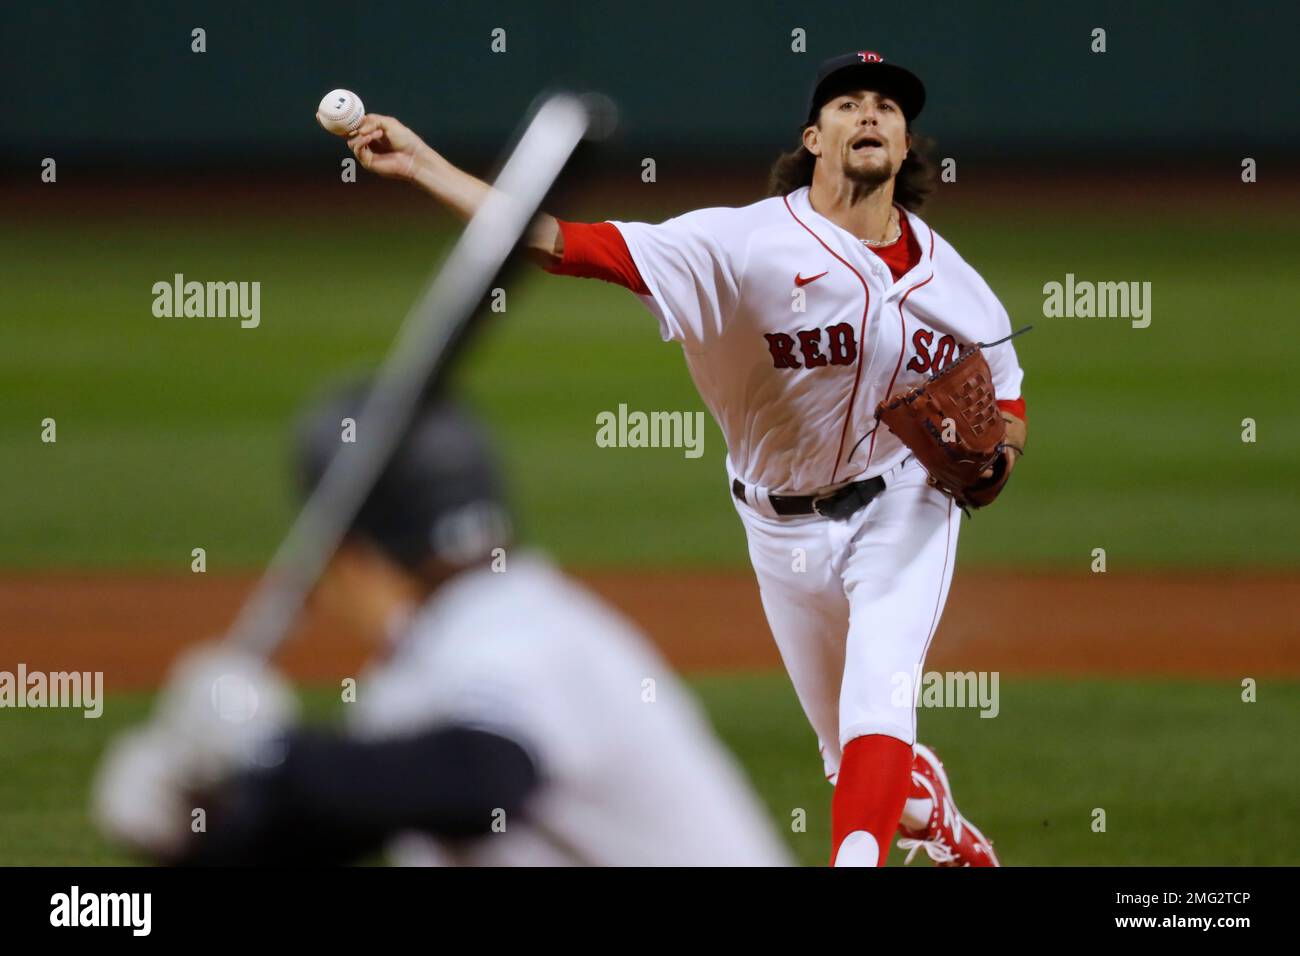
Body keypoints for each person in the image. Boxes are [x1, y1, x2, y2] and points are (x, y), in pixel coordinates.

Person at [340, 49, 1027, 867]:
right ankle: (932, 814)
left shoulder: (959, 285)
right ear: (814, 138)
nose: (870, 113)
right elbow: (564, 244)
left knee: (880, 696)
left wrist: (995, 460)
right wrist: (425, 165)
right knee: (848, 758)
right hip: (777, 523)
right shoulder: (736, 245)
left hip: (902, 503)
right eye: (848, 104)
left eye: (887, 105)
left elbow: (1008, 408)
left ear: (908, 144)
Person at [93, 383, 792, 866]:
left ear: (346, 554)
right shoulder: (431, 668)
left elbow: (484, 776)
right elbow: (318, 830)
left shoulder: (518, 626)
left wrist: (268, 753)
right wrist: (196, 825)